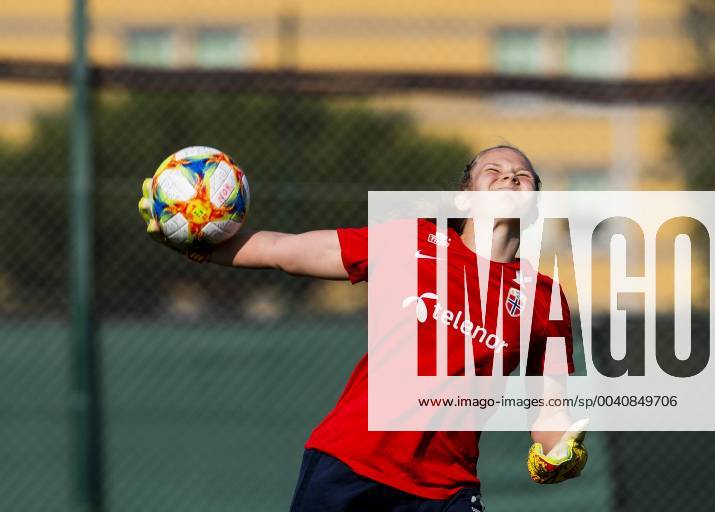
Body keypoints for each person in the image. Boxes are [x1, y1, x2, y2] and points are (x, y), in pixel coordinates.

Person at [139, 145, 587, 511]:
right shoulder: (412, 242)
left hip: (445, 488)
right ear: (465, 197)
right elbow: (286, 250)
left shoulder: (544, 298)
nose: (510, 178)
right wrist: (194, 246)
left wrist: (558, 448)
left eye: (522, 175)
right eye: (494, 170)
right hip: (352, 462)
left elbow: (549, 408)